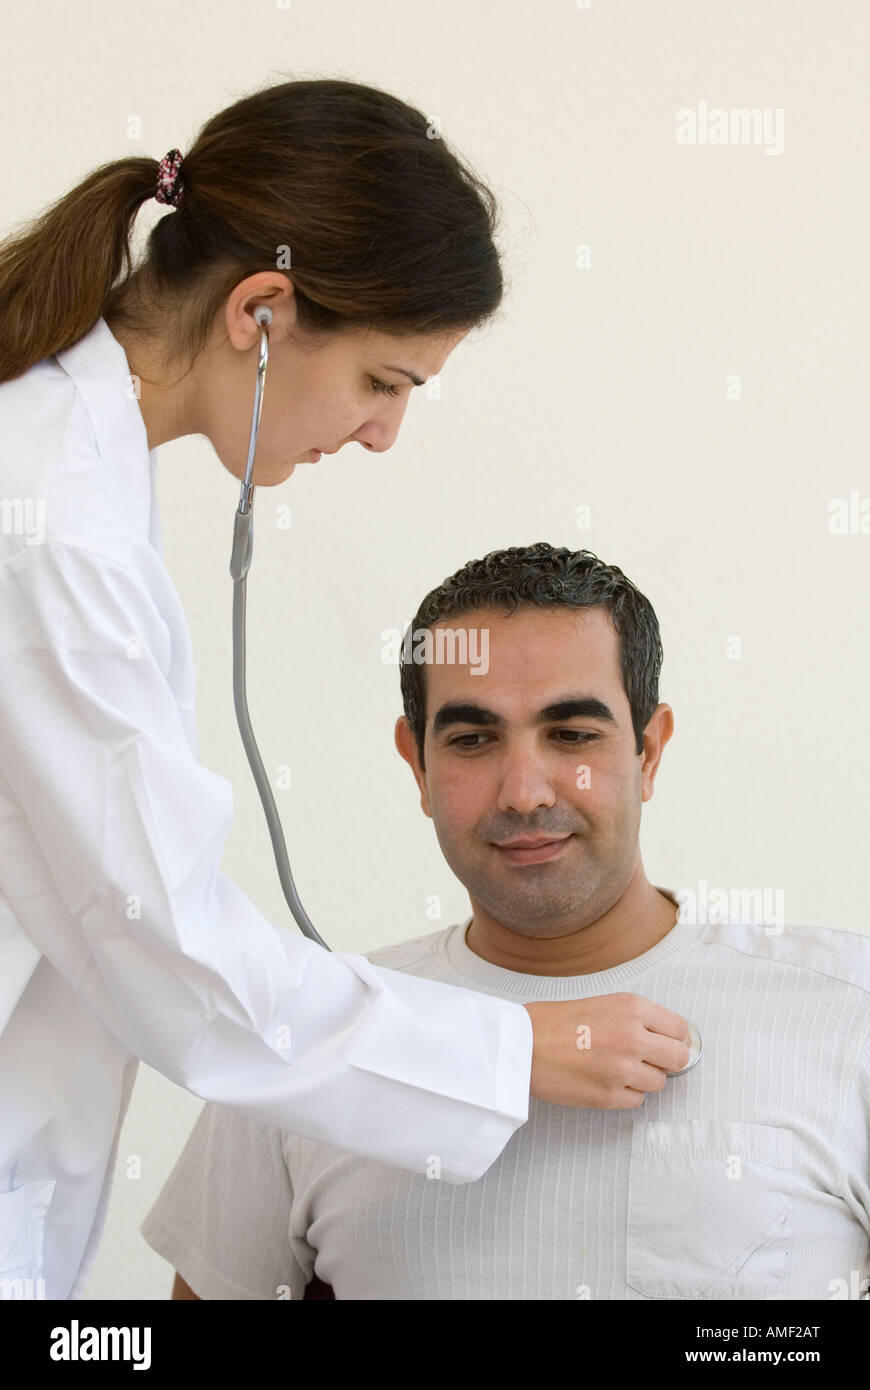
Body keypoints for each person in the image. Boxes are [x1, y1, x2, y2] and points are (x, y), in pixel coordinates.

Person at [0, 81, 689, 1302]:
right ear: (260, 312)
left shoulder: (73, 473)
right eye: (386, 379)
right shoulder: (48, 521)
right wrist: (504, 1048)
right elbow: (166, 949)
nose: (383, 434)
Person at [143, 544, 870, 1301]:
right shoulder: (312, 1039)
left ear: (648, 752)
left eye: (573, 735)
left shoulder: (849, 1014)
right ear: (417, 766)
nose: (524, 792)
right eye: (473, 740)